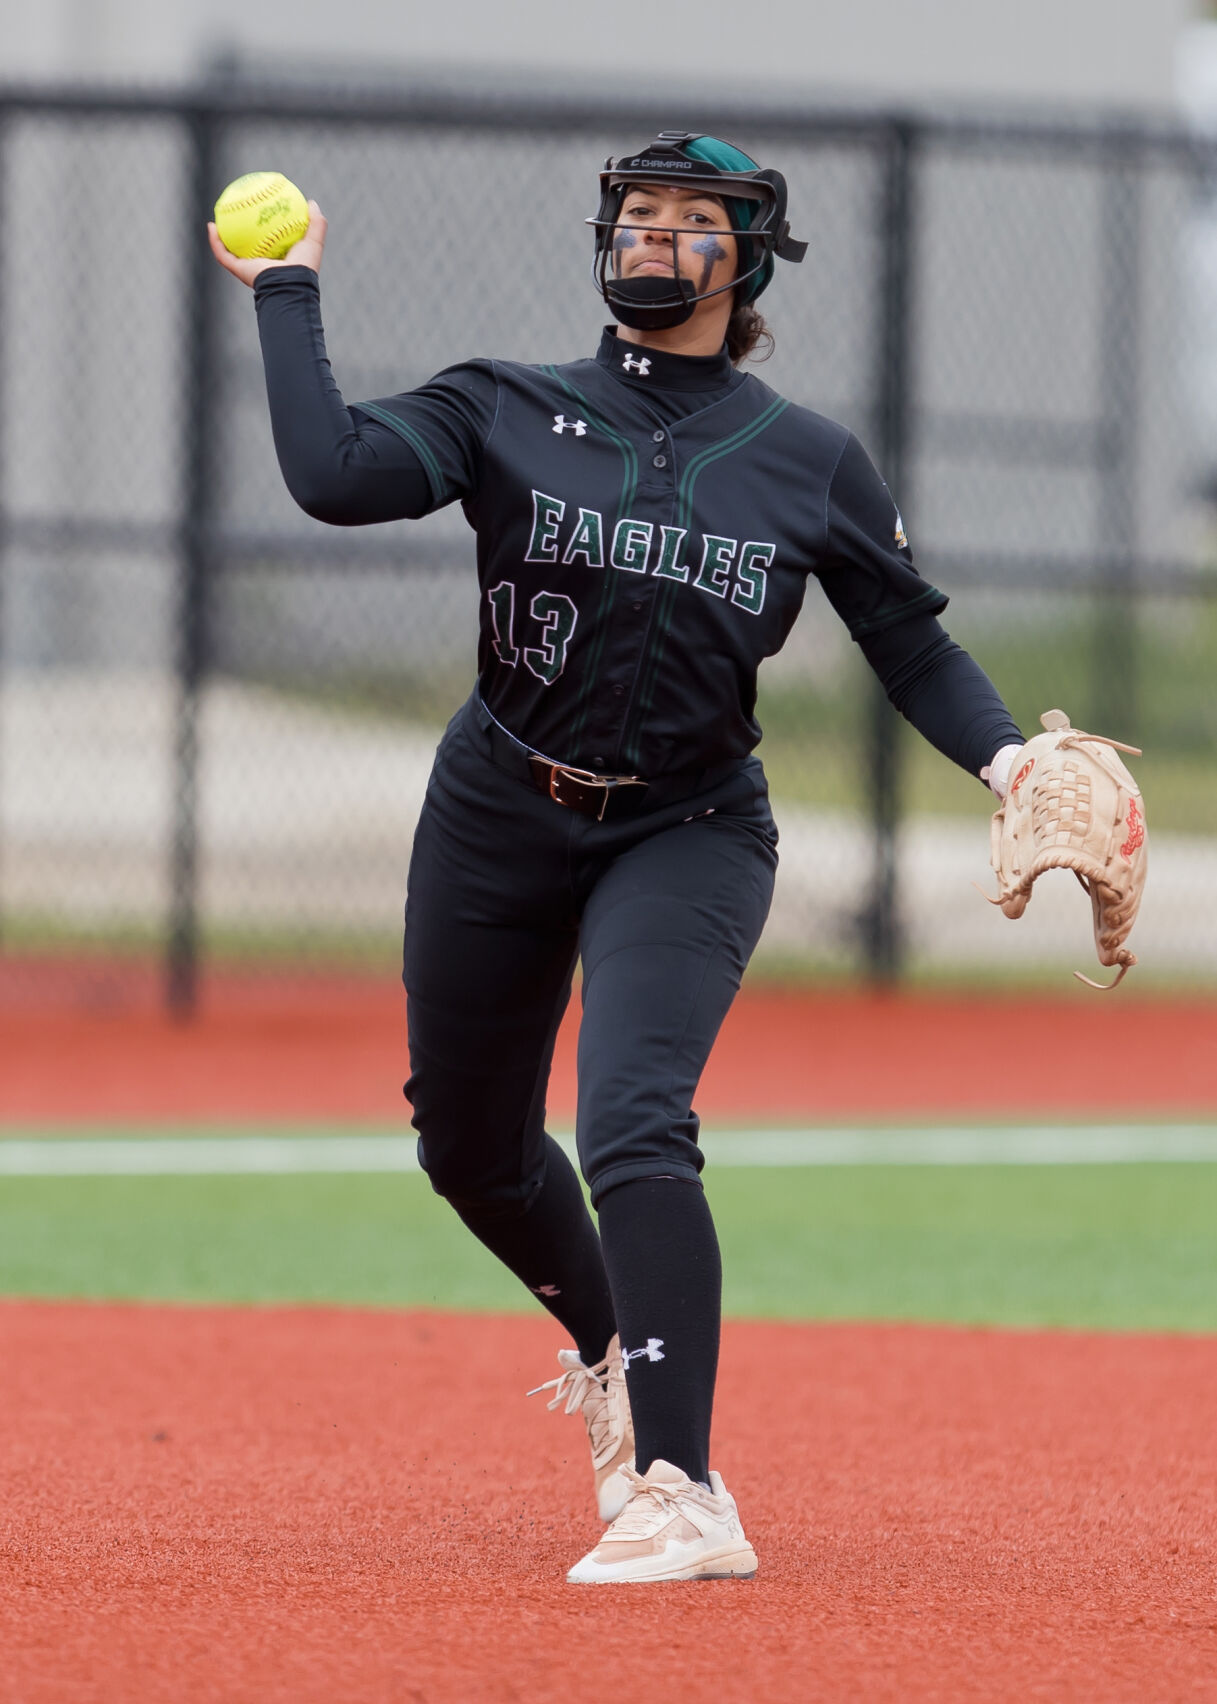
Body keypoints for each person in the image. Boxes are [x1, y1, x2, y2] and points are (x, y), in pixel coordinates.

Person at [209, 130, 1025, 1585]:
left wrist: (1013, 763)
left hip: (689, 823)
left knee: (632, 1116)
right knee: (464, 1144)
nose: (650, 237)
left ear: (746, 256)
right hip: (497, 801)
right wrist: (285, 290)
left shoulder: (801, 459)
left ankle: (683, 1485)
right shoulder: (505, 405)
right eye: (633, 214)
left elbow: (907, 641)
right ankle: (606, 1351)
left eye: (686, 219)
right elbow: (333, 478)